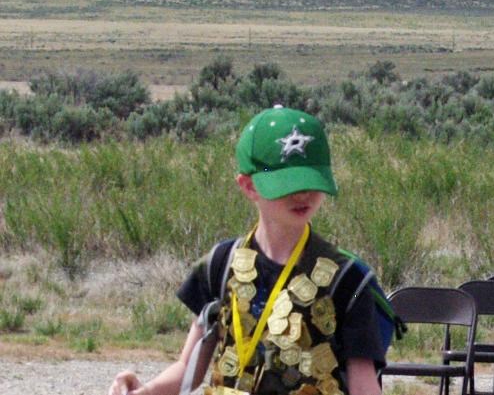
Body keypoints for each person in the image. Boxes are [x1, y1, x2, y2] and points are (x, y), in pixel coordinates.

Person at [109, 106, 386, 395]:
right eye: (287, 184)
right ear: (248, 186)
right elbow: (187, 371)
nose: (302, 195)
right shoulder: (220, 264)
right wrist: (143, 391)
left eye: (310, 182)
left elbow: (364, 384)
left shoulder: (349, 280)